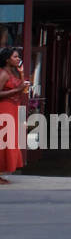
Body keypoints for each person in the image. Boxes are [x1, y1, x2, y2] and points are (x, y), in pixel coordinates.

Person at [0, 48, 31, 182]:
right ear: (7, 59)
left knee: (10, 141)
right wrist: (16, 90)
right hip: (5, 108)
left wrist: (22, 73)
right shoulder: (3, 74)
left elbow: (22, 88)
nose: (18, 59)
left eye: (18, 57)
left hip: (13, 108)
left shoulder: (13, 72)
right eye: (15, 57)